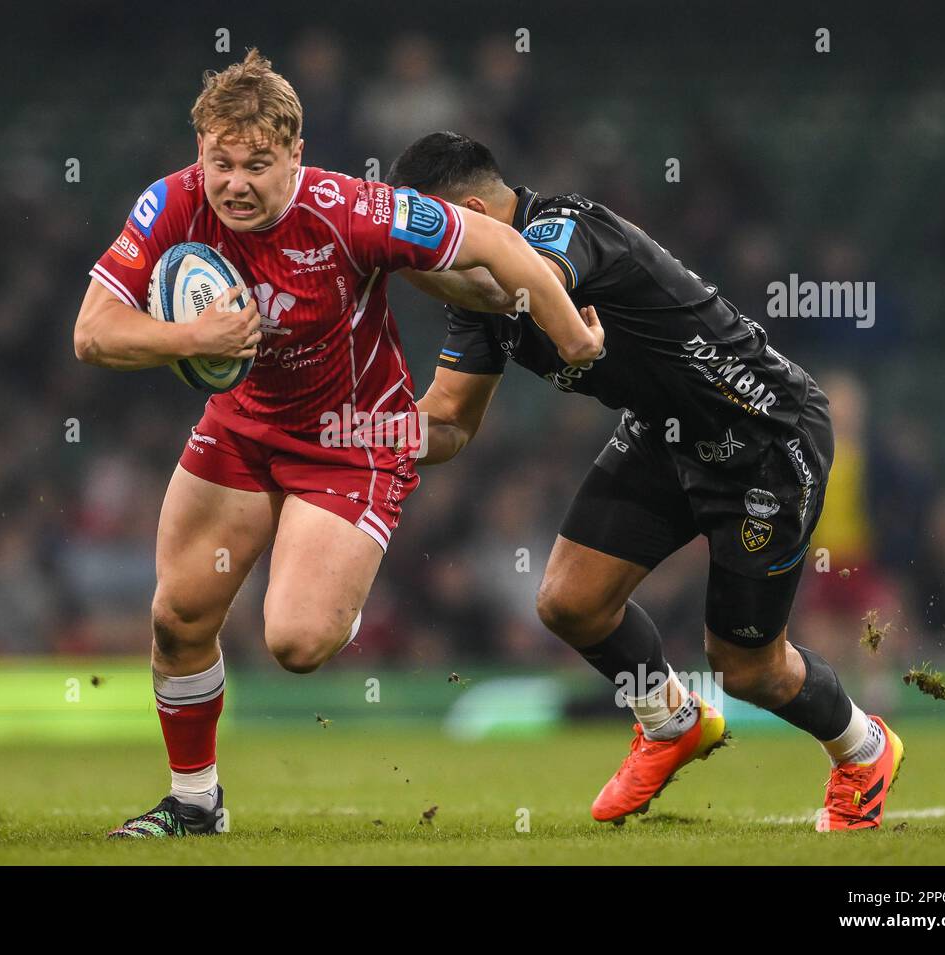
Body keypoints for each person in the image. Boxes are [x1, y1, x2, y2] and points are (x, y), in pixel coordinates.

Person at [73, 58, 602, 838]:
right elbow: (92, 333)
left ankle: (337, 586)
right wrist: (192, 337)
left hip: (351, 441)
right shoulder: (171, 203)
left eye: (257, 164)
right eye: (221, 162)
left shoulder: (352, 209)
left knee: (297, 640)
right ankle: (194, 804)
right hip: (244, 427)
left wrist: (573, 336)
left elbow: (496, 244)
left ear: (296, 153)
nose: (236, 183)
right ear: (200, 151)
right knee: (178, 619)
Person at [390, 132, 902, 831]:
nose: (411, 268)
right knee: (570, 602)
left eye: (421, 244)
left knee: (745, 666)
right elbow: (447, 420)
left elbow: (535, 283)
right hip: (666, 435)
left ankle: (863, 748)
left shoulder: (565, 230)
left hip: (764, 437)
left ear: (472, 212)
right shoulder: (476, 295)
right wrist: (354, 442)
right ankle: (670, 721)